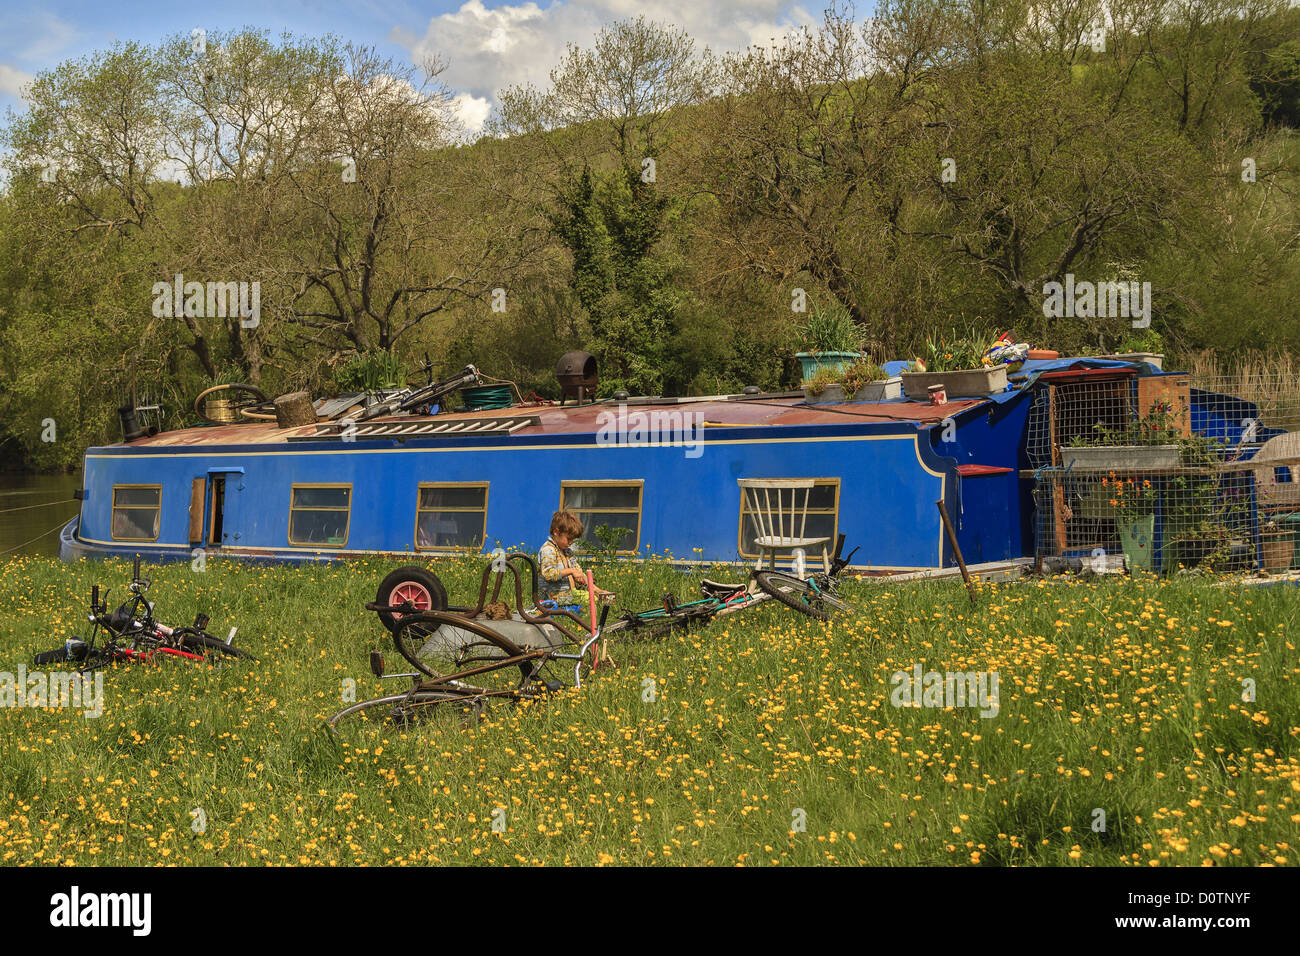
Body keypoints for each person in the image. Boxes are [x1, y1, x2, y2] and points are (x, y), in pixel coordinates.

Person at [538, 510, 613, 605]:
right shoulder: (548, 550)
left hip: (569, 595)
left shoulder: (567, 552)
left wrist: (598, 591)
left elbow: (579, 574)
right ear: (556, 532)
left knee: (597, 597)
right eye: (568, 539)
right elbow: (548, 574)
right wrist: (571, 571)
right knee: (592, 600)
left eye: (572, 540)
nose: (571, 543)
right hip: (553, 598)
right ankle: (587, 619)